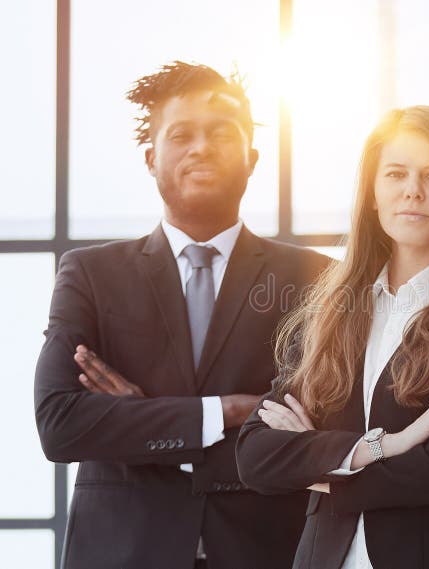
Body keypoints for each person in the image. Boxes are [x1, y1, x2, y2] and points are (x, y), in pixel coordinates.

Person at [34, 61, 330, 569]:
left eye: (220, 133)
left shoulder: (315, 278)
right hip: (121, 553)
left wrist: (141, 420)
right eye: (181, 134)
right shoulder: (89, 273)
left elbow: (316, 431)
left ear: (252, 157)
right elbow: (60, 424)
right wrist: (232, 410)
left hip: (268, 553)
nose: (201, 147)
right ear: (151, 158)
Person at [236, 105, 429, 569]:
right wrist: (392, 443)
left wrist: (322, 469)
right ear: (372, 194)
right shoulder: (329, 310)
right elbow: (255, 455)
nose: (413, 190)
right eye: (395, 174)